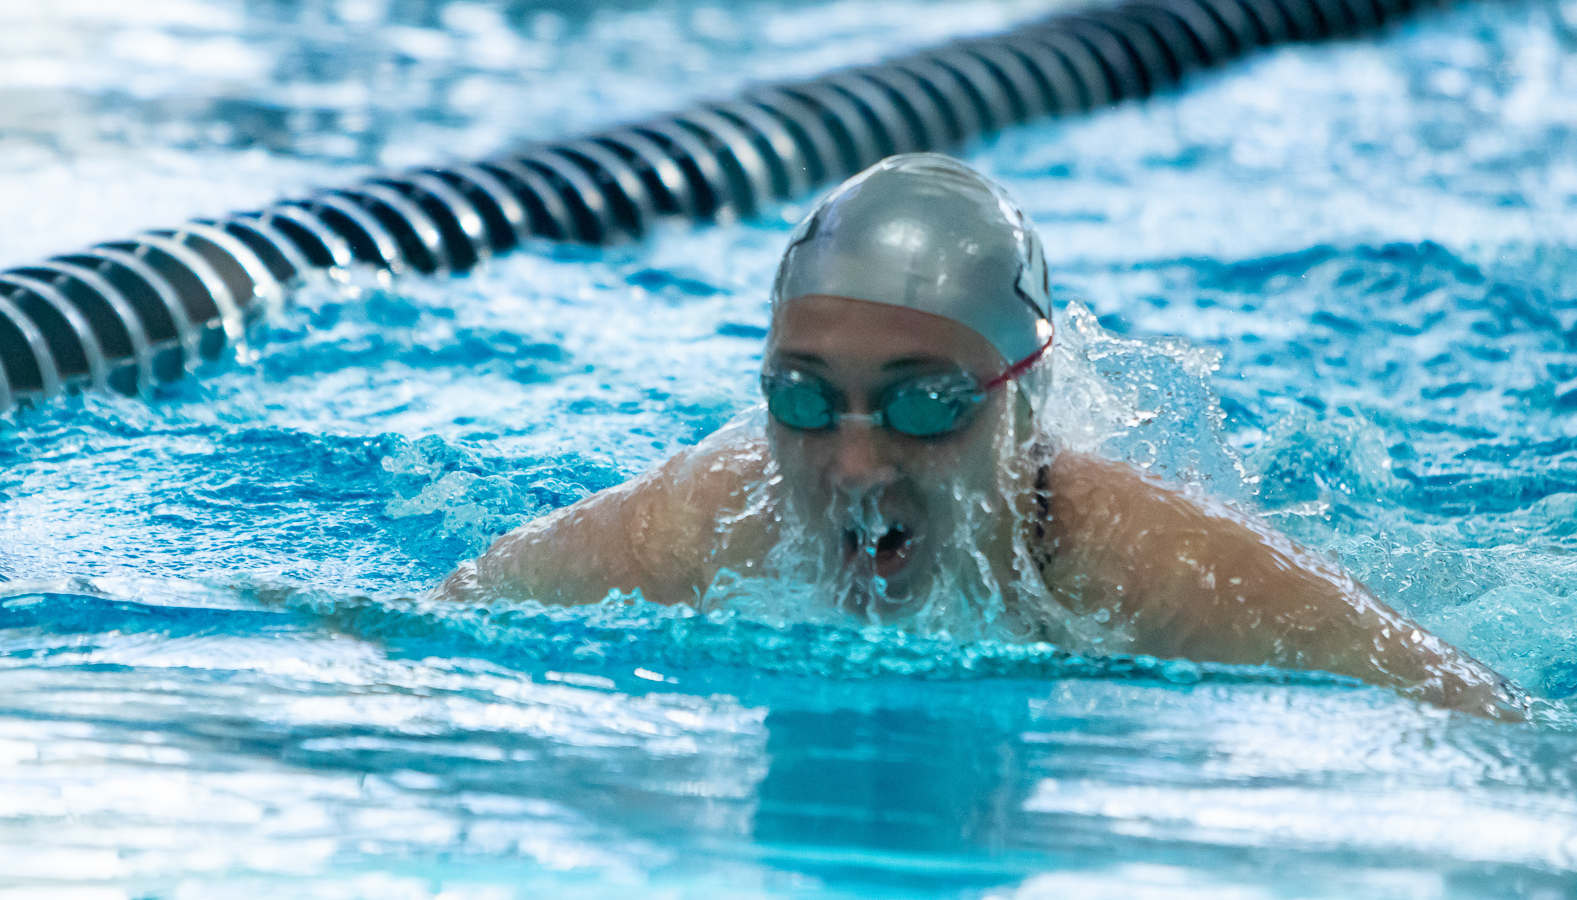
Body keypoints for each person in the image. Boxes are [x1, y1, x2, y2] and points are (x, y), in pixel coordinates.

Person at [432, 153, 1524, 720]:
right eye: (804, 401)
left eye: (923, 404)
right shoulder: (701, 521)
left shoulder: (1158, 567)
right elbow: (403, 638)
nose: (854, 466)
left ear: (1019, 401)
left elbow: (1481, 717)